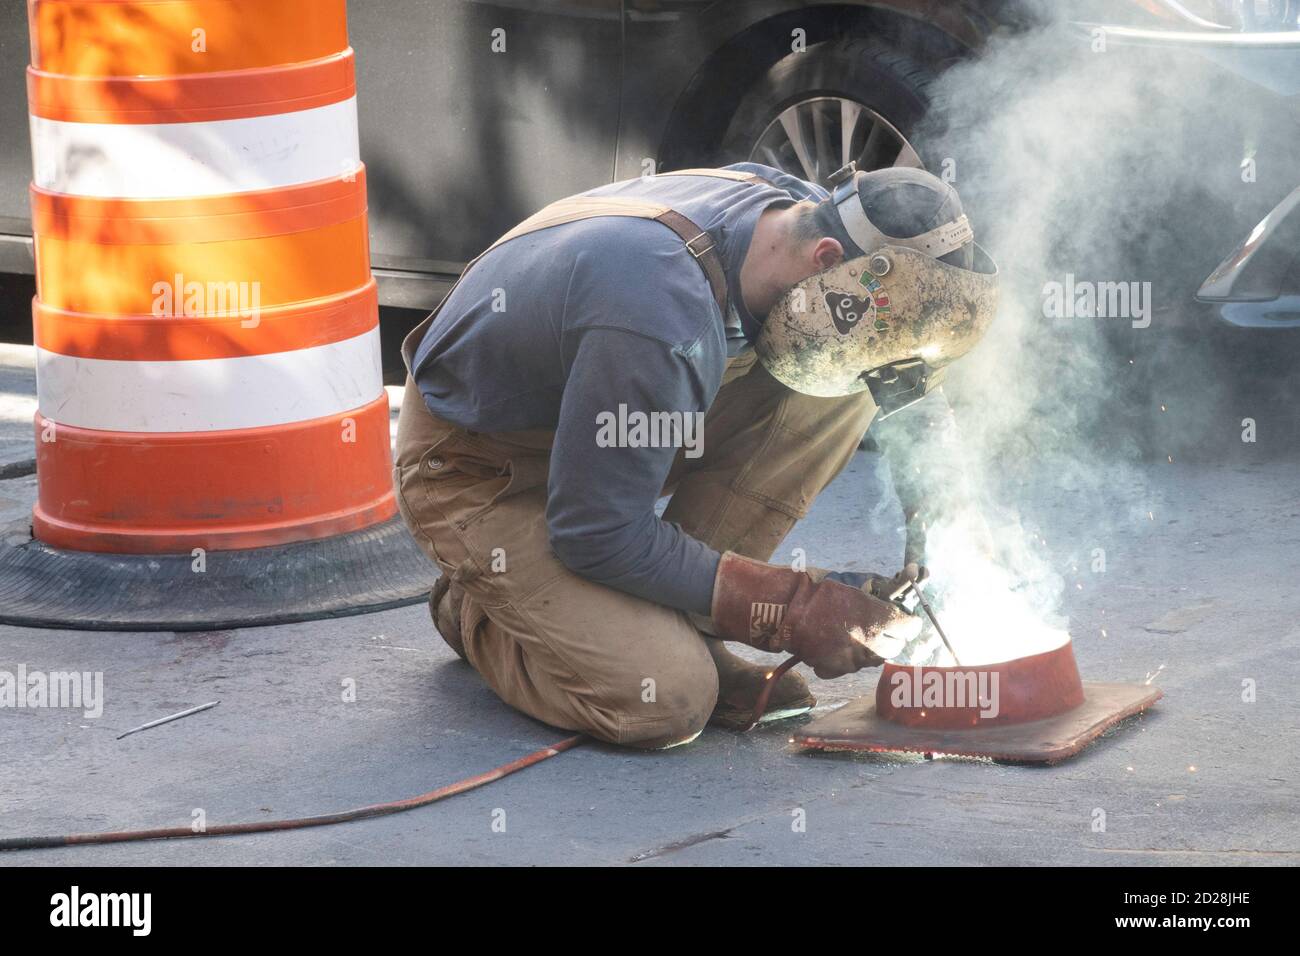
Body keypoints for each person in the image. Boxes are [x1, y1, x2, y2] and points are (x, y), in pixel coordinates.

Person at [394, 161, 998, 748]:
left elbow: (896, 376)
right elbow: (597, 532)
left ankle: (678, 621)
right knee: (666, 700)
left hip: (609, 417)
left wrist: (941, 527)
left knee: (841, 377)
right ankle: (477, 613)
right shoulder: (659, 314)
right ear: (830, 261)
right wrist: (791, 609)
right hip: (479, 466)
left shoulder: (801, 217)